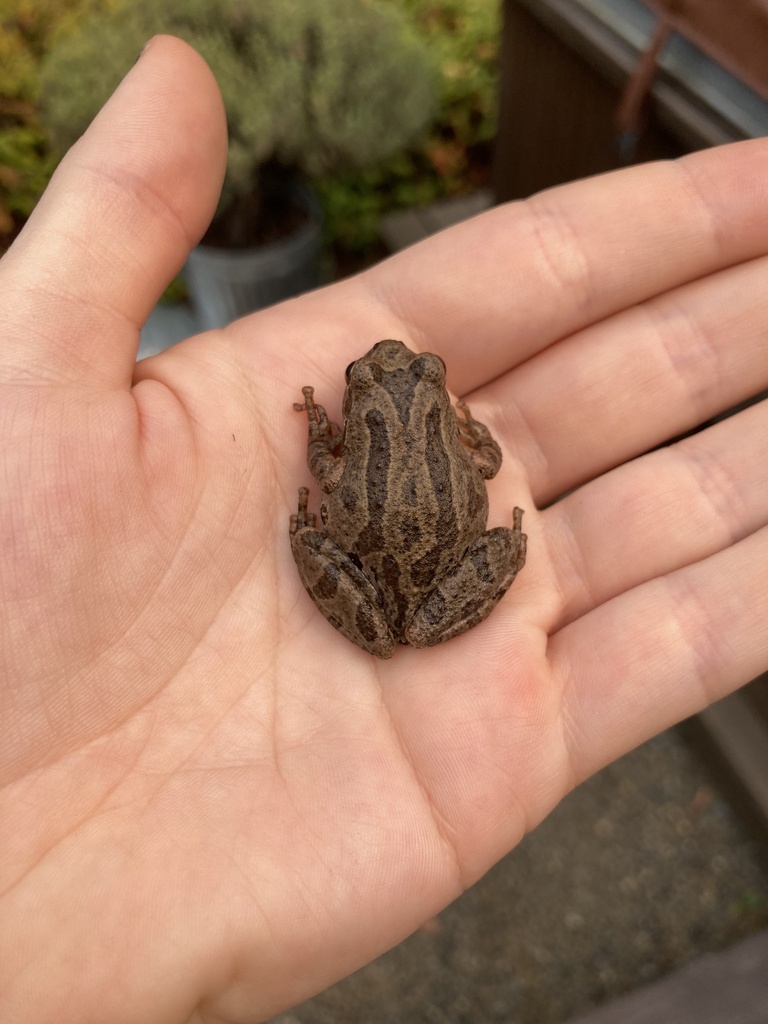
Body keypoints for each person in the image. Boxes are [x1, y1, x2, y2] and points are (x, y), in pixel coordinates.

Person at [1, 34, 766, 1024]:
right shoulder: (460, 438)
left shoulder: (352, 437)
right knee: (502, 542)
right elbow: (485, 468)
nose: (386, 375)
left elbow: (324, 469)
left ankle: (386, 612)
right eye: (374, 385)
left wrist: (325, 423)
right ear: (405, 400)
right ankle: (428, 607)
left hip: (373, 564)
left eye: (384, 383)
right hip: (445, 564)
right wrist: (458, 434)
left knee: (313, 530)